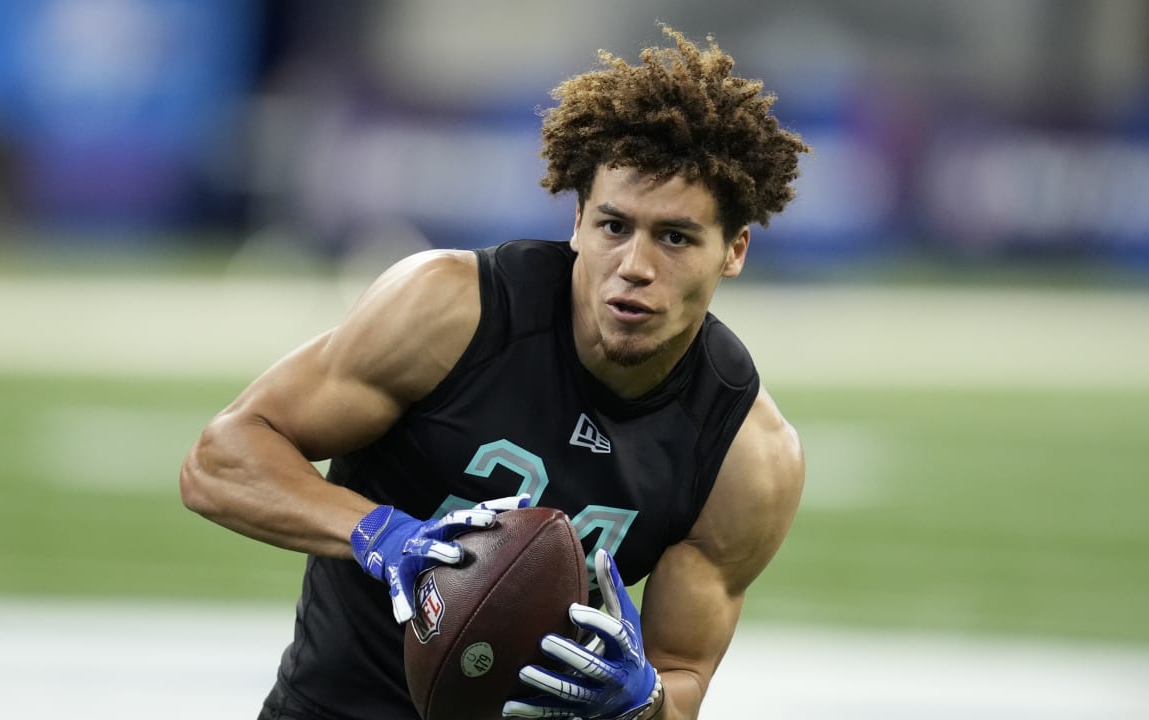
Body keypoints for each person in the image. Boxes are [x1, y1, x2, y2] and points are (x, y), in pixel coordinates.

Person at [181, 25, 809, 720]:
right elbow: (221, 460)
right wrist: (381, 535)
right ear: (576, 222)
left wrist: (642, 701)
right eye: (613, 227)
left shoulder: (745, 454)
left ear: (735, 250)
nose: (635, 264)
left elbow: (682, 675)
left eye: (676, 237)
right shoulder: (453, 309)